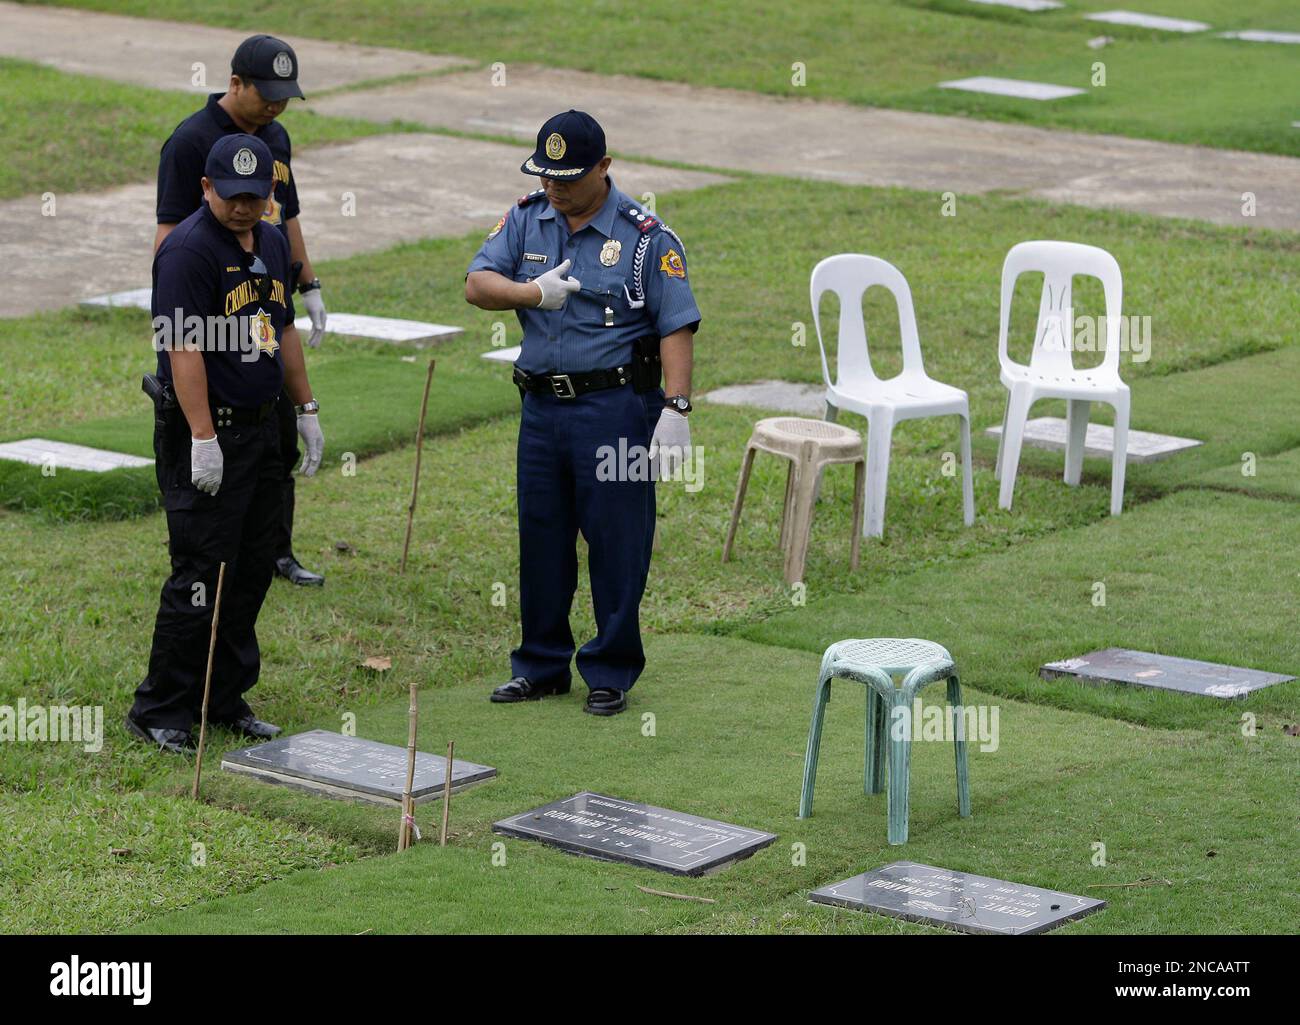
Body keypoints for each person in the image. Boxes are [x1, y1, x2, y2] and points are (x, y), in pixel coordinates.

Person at [465, 109, 701, 716]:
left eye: (568, 176)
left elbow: (677, 323)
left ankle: (610, 668)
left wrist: (676, 407)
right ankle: (541, 665)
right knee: (541, 538)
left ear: (604, 166)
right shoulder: (526, 218)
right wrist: (530, 293)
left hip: (616, 407)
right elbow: (477, 283)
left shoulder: (647, 236)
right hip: (542, 410)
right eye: (546, 175)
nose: (555, 187)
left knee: (618, 540)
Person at [128, 134, 324, 754]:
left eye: (255, 195)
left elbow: (280, 329)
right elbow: (183, 348)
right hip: (207, 429)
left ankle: (224, 697)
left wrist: (306, 407)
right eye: (230, 195)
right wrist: (202, 438)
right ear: (207, 188)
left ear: (271, 192)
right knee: (200, 573)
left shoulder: (269, 240)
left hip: (264, 429)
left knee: (251, 567)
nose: (242, 207)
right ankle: (161, 707)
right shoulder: (186, 252)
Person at [155, 33, 327, 587]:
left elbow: (288, 215)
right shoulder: (190, 142)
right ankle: (208, 562)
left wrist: (308, 284)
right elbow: (167, 237)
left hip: (263, 301)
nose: (275, 106)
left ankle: (274, 551)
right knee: (213, 442)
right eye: (266, 93)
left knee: (273, 433)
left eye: (284, 95)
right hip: (207, 307)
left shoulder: (276, 137)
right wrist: (185, 308)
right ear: (235, 84)